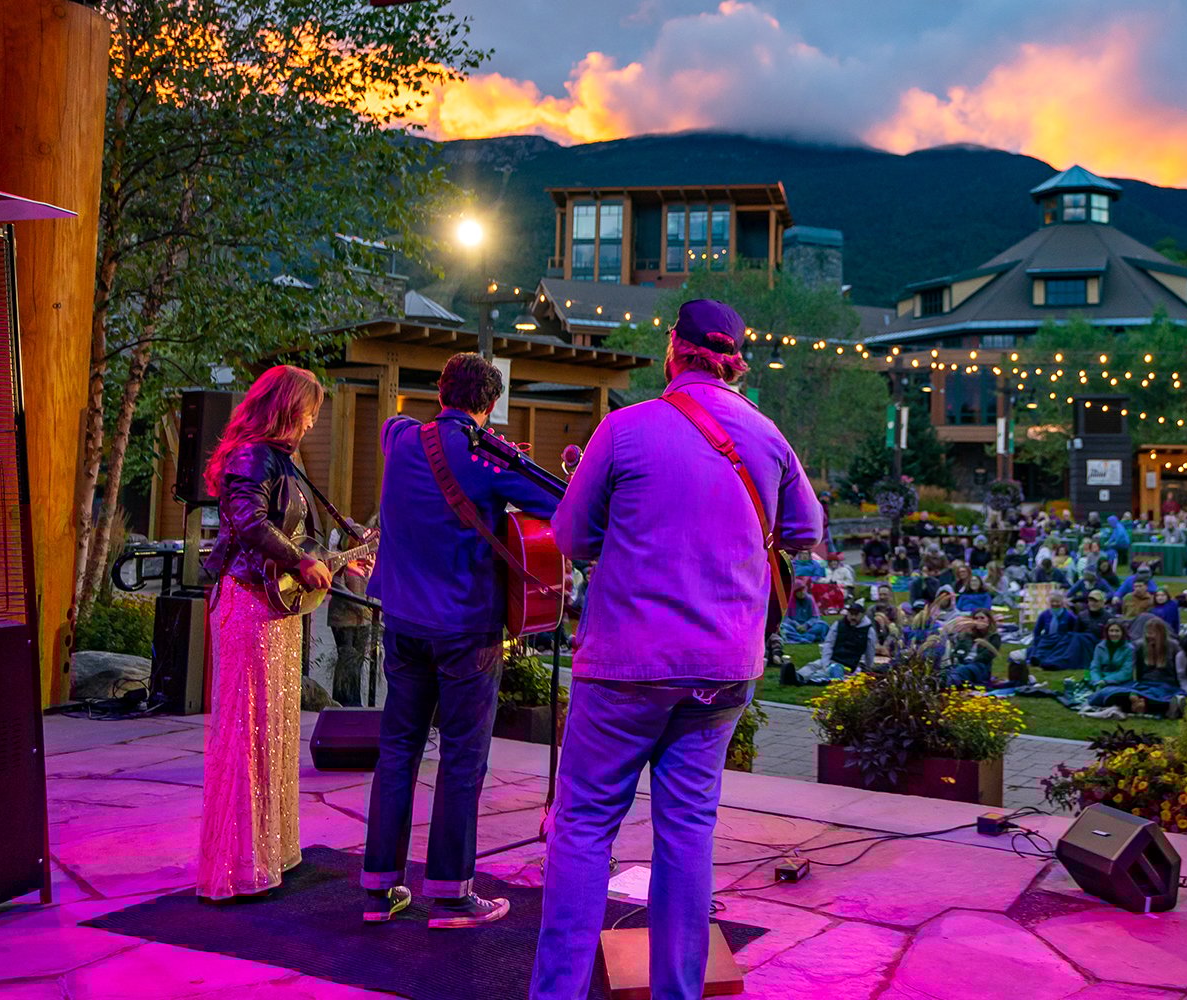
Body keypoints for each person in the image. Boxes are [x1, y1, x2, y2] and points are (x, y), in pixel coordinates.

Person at [532, 300, 824, 999]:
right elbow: (805, 530)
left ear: (674, 348)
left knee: (581, 827)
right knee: (689, 832)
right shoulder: (767, 434)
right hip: (724, 670)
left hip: (626, 667)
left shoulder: (625, 428)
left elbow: (570, 537)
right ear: (734, 360)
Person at [358, 354, 563, 925]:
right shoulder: (484, 456)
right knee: (461, 759)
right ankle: (449, 892)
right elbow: (558, 506)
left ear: (441, 391)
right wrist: (504, 455)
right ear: (490, 403)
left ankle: (379, 890)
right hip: (464, 627)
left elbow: (391, 427)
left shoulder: (400, 438)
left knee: (397, 751)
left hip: (401, 622)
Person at [197, 365, 336, 901]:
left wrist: (331, 561)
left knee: (272, 730)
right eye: (308, 411)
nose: (311, 421)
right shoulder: (253, 455)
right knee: (246, 732)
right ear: (284, 407)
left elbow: (294, 533)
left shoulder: (281, 459)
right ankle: (234, 865)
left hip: (272, 606)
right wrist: (301, 559)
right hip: (247, 603)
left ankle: (267, 853)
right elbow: (250, 524)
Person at [328, 517, 377, 707]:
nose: (359, 541)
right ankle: (344, 701)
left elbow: (369, 586)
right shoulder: (340, 558)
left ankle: (354, 701)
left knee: (357, 662)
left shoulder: (365, 561)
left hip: (363, 620)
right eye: (355, 537)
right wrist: (361, 606)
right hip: (343, 618)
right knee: (346, 660)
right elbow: (338, 586)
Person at [1026, 591, 1092, 670]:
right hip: (1047, 639)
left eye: (1057, 602)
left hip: (1061, 641)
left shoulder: (1069, 615)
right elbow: (1037, 630)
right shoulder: (1044, 614)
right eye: (1052, 602)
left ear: (1062, 602)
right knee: (1038, 651)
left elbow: (1076, 629)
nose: (1055, 604)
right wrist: (1036, 642)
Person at [810, 602, 874, 679]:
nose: (853, 617)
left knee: (824, 673)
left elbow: (870, 651)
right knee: (812, 665)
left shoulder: (868, 630)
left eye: (856, 615)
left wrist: (868, 669)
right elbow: (829, 644)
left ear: (862, 615)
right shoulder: (838, 625)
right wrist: (825, 664)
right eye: (851, 614)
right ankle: (798, 676)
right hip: (832, 660)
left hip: (849, 666)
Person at [941, 611, 1001, 687]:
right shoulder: (967, 635)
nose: (979, 620)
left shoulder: (994, 637)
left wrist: (971, 661)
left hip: (980, 666)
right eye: (976, 618)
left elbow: (988, 655)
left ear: (989, 620)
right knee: (947, 670)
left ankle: (948, 684)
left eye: (982, 618)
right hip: (962, 664)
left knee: (961, 670)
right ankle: (947, 683)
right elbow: (957, 651)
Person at [1087, 621, 1137, 688]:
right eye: (1111, 631)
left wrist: (1106, 681)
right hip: (1100, 679)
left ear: (1122, 633)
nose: (1114, 634)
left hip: (1120, 681)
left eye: (1117, 631)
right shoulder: (1100, 647)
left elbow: (1126, 672)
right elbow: (1095, 667)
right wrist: (1097, 681)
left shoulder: (1129, 649)